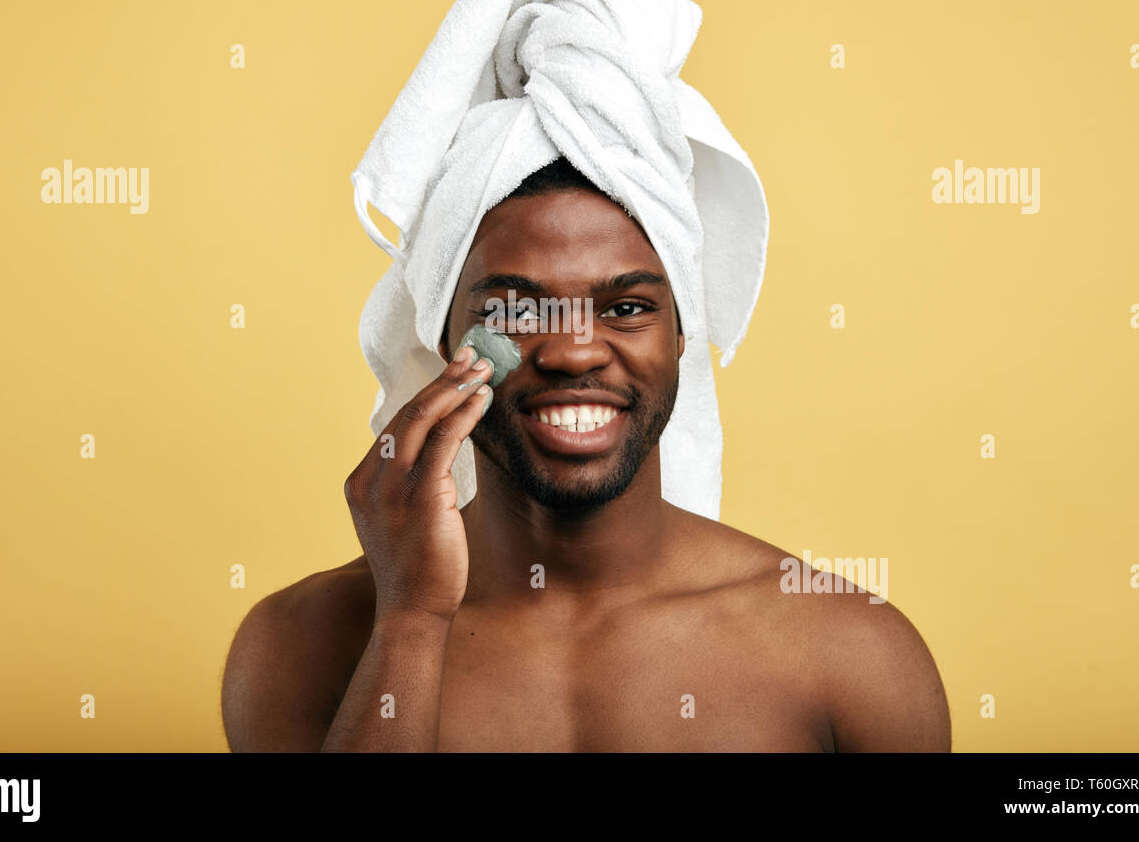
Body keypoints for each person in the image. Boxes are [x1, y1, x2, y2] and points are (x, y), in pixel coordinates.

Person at [220, 156, 951, 751]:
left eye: (627, 308)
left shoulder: (851, 649)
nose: (574, 352)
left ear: (680, 340)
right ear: (446, 347)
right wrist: (410, 620)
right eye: (514, 311)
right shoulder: (301, 643)